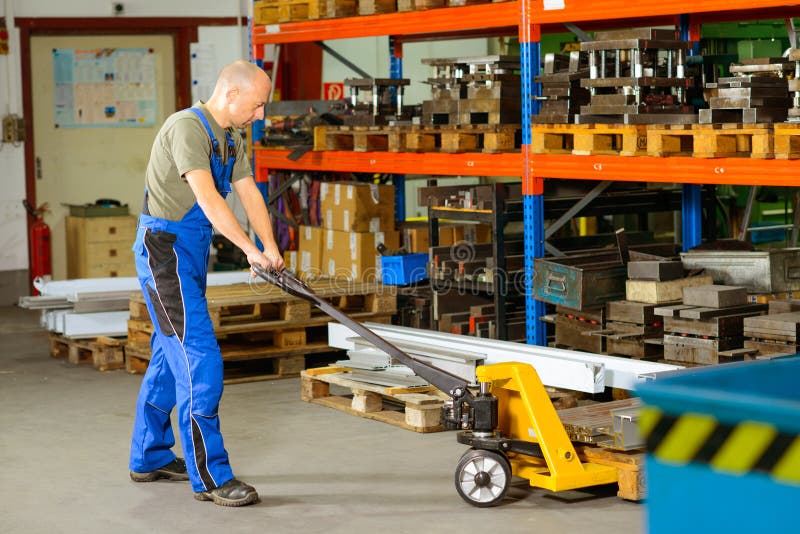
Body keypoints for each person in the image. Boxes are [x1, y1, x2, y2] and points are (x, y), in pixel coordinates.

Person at [128, 60, 284, 507]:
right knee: (199, 359)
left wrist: (268, 246)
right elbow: (208, 197)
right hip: (165, 252)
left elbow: (248, 191)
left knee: (167, 352)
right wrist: (248, 251)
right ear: (231, 94)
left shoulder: (231, 136)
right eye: (257, 105)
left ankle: (149, 455)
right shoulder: (186, 128)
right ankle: (212, 476)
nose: (259, 115)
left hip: (191, 251)